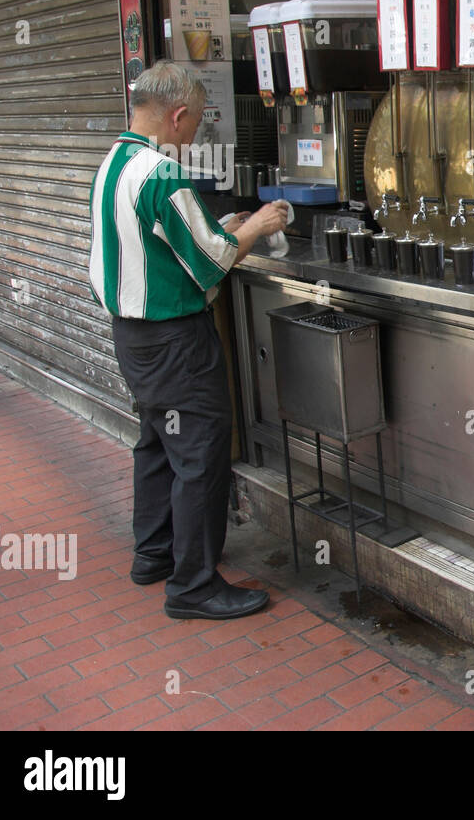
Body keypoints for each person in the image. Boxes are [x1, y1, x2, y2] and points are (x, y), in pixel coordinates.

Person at [87, 61, 289, 620]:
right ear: (177, 115)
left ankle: (153, 555)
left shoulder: (113, 164)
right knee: (199, 454)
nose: (196, 133)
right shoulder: (163, 174)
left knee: (156, 445)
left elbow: (160, 244)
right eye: (196, 122)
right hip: (176, 339)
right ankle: (194, 585)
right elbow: (211, 262)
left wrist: (223, 228)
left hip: (134, 338)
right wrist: (256, 226)